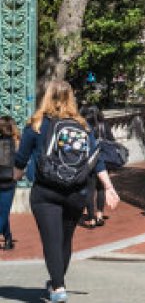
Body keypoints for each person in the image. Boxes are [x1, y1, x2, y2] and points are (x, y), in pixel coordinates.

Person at [14, 80, 120, 303]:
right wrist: (109, 188)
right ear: (71, 98)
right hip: (76, 191)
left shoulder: (35, 125)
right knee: (65, 239)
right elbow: (96, 161)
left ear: (46, 96)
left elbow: (21, 161)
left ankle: (58, 286)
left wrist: (11, 182)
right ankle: (57, 282)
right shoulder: (82, 126)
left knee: (51, 240)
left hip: (45, 191)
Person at [79, 106, 112, 229]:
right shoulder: (104, 125)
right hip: (102, 160)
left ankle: (91, 218)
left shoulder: (83, 127)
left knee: (89, 190)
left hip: (89, 161)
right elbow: (111, 140)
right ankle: (99, 215)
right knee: (101, 188)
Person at [0, 115, 19, 251]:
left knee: (3, 212)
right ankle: (8, 238)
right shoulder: (17, 142)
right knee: (4, 212)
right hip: (9, 181)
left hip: (5, 181)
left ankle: (8, 239)